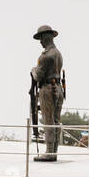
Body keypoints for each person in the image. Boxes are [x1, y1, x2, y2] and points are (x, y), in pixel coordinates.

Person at [29, 24, 65, 162]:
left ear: (46, 38)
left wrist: (33, 69)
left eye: (41, 38)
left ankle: (49, 152)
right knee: (56, 120)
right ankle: (53, 151)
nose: (40, 42)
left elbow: (37, 75)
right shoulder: (58, 53)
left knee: (48, 120)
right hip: (59, 88)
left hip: (48, 89)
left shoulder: (45, 56)